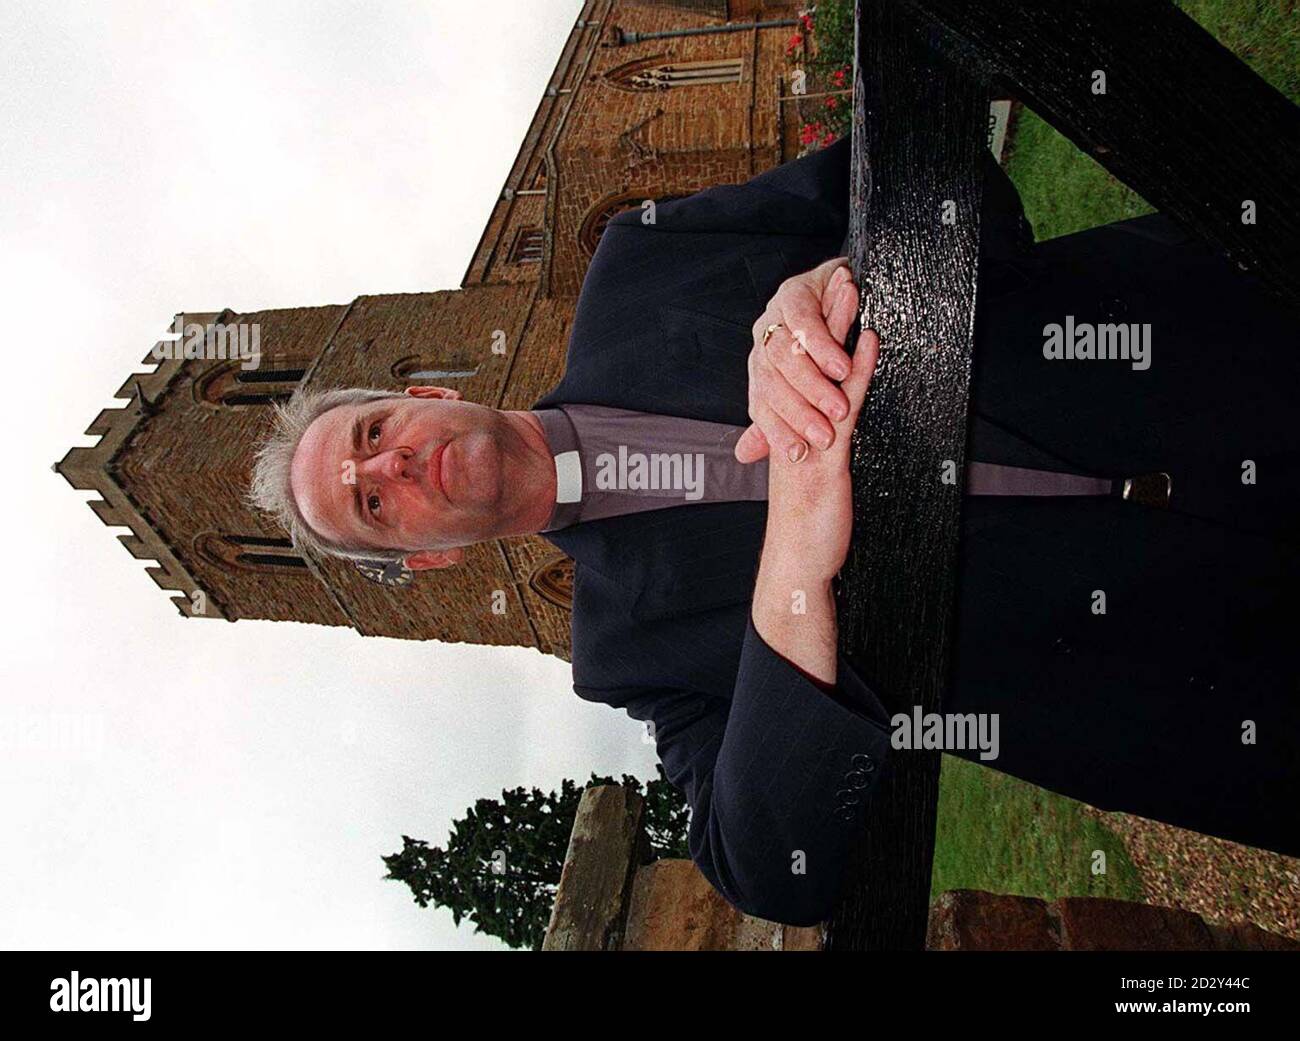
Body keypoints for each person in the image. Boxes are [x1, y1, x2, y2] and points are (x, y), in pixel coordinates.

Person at [251, 137, 1300, 925]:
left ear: (429, 391)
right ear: (428, 555)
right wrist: (792, 569)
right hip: (1215, 673)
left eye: (374, 432)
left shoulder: (639, 267)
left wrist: (828, 280)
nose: (388, 465)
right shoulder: (629, 658)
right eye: (373, 505)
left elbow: (950, 166)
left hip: (1217, 353)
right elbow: (770, 873)